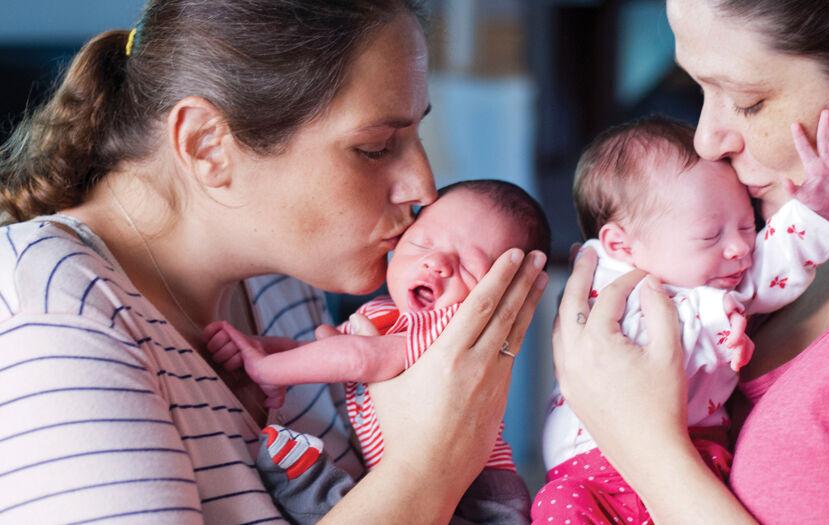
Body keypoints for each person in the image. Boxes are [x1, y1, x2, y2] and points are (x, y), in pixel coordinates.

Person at [0, 1, 548, 523]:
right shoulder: (56, 320)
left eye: (416, 133)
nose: (424, 189)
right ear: (207, 145)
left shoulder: (276, 284)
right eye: (376, 147)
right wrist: (433, 467)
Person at [551, 0, 829, 523]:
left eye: (746, 101)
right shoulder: (810, 210)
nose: (704, 140)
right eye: (699, 89)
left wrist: (640, 443)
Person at [534, 114, 829, 523]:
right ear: (620, 243)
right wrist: (721, 317)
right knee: (553, 504)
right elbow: (647, 350)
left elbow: (775, 259)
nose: (738, 249)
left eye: (748, 225)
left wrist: (816, 207)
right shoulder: (604, 280)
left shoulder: (716, 283)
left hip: (691, 460)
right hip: (590, 474)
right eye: (710, 235)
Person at [205, 179, 552, 524]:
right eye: (422, 242)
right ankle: (310, 480)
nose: (436, 263)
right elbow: (328, 354)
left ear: (502, 293)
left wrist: (265, 369)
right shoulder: (386, 317)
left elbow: (359, 359)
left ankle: (308, 478)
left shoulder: (449, 333)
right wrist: (266, 348)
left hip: (479, 498)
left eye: (467, 264)